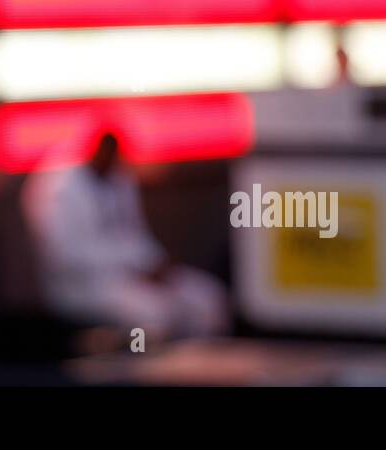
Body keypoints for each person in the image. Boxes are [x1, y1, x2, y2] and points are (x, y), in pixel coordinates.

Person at [22, 132, 231, 345]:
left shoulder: (119, 178)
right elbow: (67, 257)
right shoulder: (59, 186)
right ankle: (147, 374)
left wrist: (154, 262)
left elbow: (135, 234)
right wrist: (133, 265)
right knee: (156, 313)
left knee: (208, 297)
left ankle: (200, 368)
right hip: (88, 284)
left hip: (136, 272)